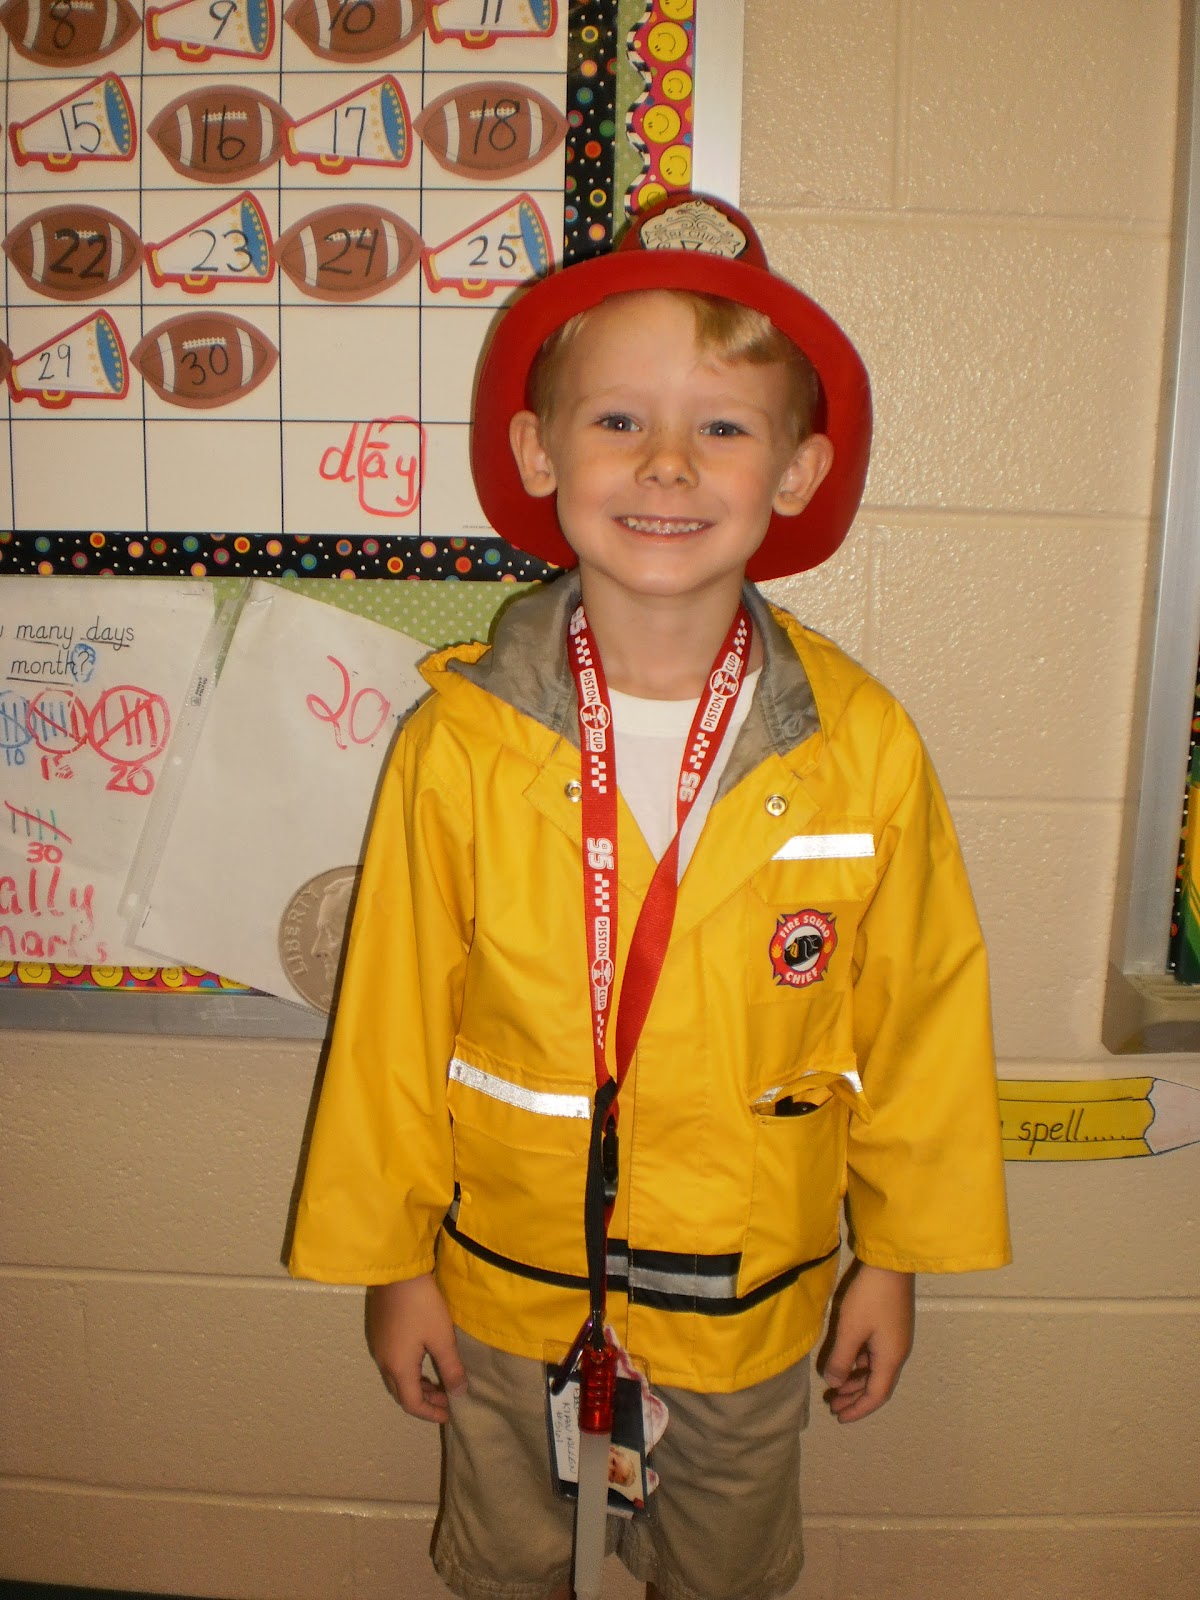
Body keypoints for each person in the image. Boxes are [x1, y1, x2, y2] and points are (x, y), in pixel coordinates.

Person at [289, 193, 1011, 1600]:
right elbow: (387, 1021)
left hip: (748, 1300)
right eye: (619, 420)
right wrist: (392, 1262)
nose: (668, 462)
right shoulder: (467, 741)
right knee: (506, 1570)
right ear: (535, 449)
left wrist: (899, 1258)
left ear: (797, 470)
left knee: (725, 1580)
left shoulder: (859, 745)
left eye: (723, 428)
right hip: (506, 1290)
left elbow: (920, 1014)